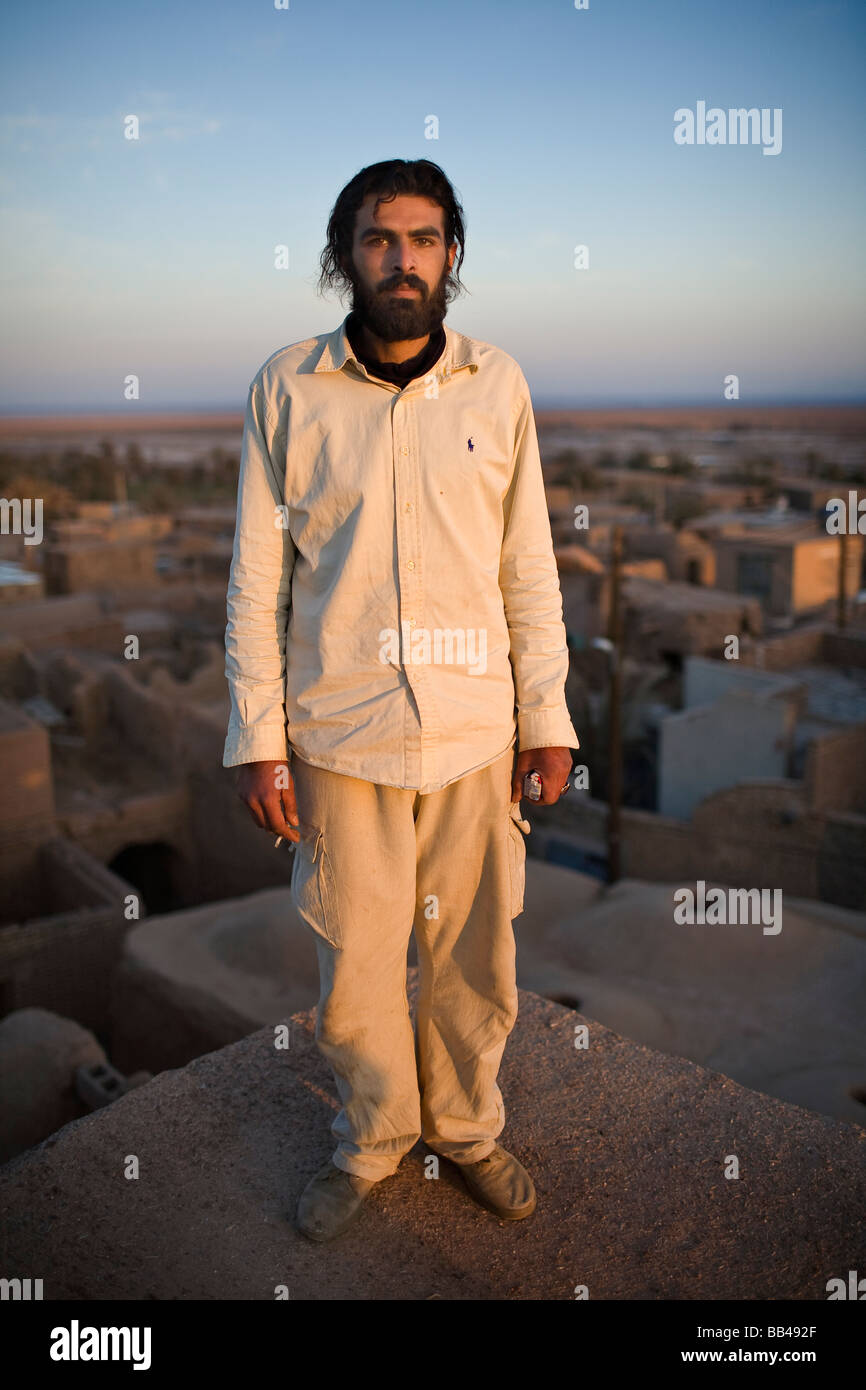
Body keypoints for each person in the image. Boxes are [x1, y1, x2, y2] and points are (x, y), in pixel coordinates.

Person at [223, 158, 579, 1243]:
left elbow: (528, 567)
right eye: (380, 239)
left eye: (424, 239)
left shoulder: (496, 383)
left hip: (476, 732)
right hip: (341, 732)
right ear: (345, 256)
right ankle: (373, 1142)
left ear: (451, 256)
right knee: (356, 964)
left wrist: (547, 718)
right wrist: (255, 736)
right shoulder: (288, 387)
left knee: (477, 958)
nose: (403, 258)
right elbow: (253, 576)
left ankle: (466, 1131)